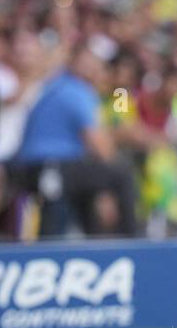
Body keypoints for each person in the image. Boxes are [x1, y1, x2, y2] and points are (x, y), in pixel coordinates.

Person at [11, 40, 139, 238]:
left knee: (89, 185)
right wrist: (108, 191)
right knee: (121, 174)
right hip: (52, 167)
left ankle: (97, 243)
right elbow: (101, 147)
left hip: (33, 167)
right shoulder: (78, 91)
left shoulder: (55, 86)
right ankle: (133, 243)